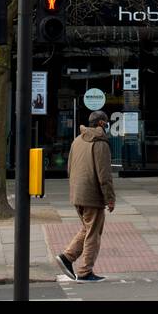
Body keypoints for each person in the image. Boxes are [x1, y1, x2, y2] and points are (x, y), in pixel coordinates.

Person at [56, 110, 116, 283]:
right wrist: (110, 198)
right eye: (106, 122)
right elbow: (104, 175)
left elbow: (69, 167)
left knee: (88, 228)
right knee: (93, 234)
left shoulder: (77, 140)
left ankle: (67, 257)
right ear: (101, 124)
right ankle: (84, 271)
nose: (107, 125)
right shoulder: (100, 143)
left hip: (77, 193)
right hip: (92, 195)